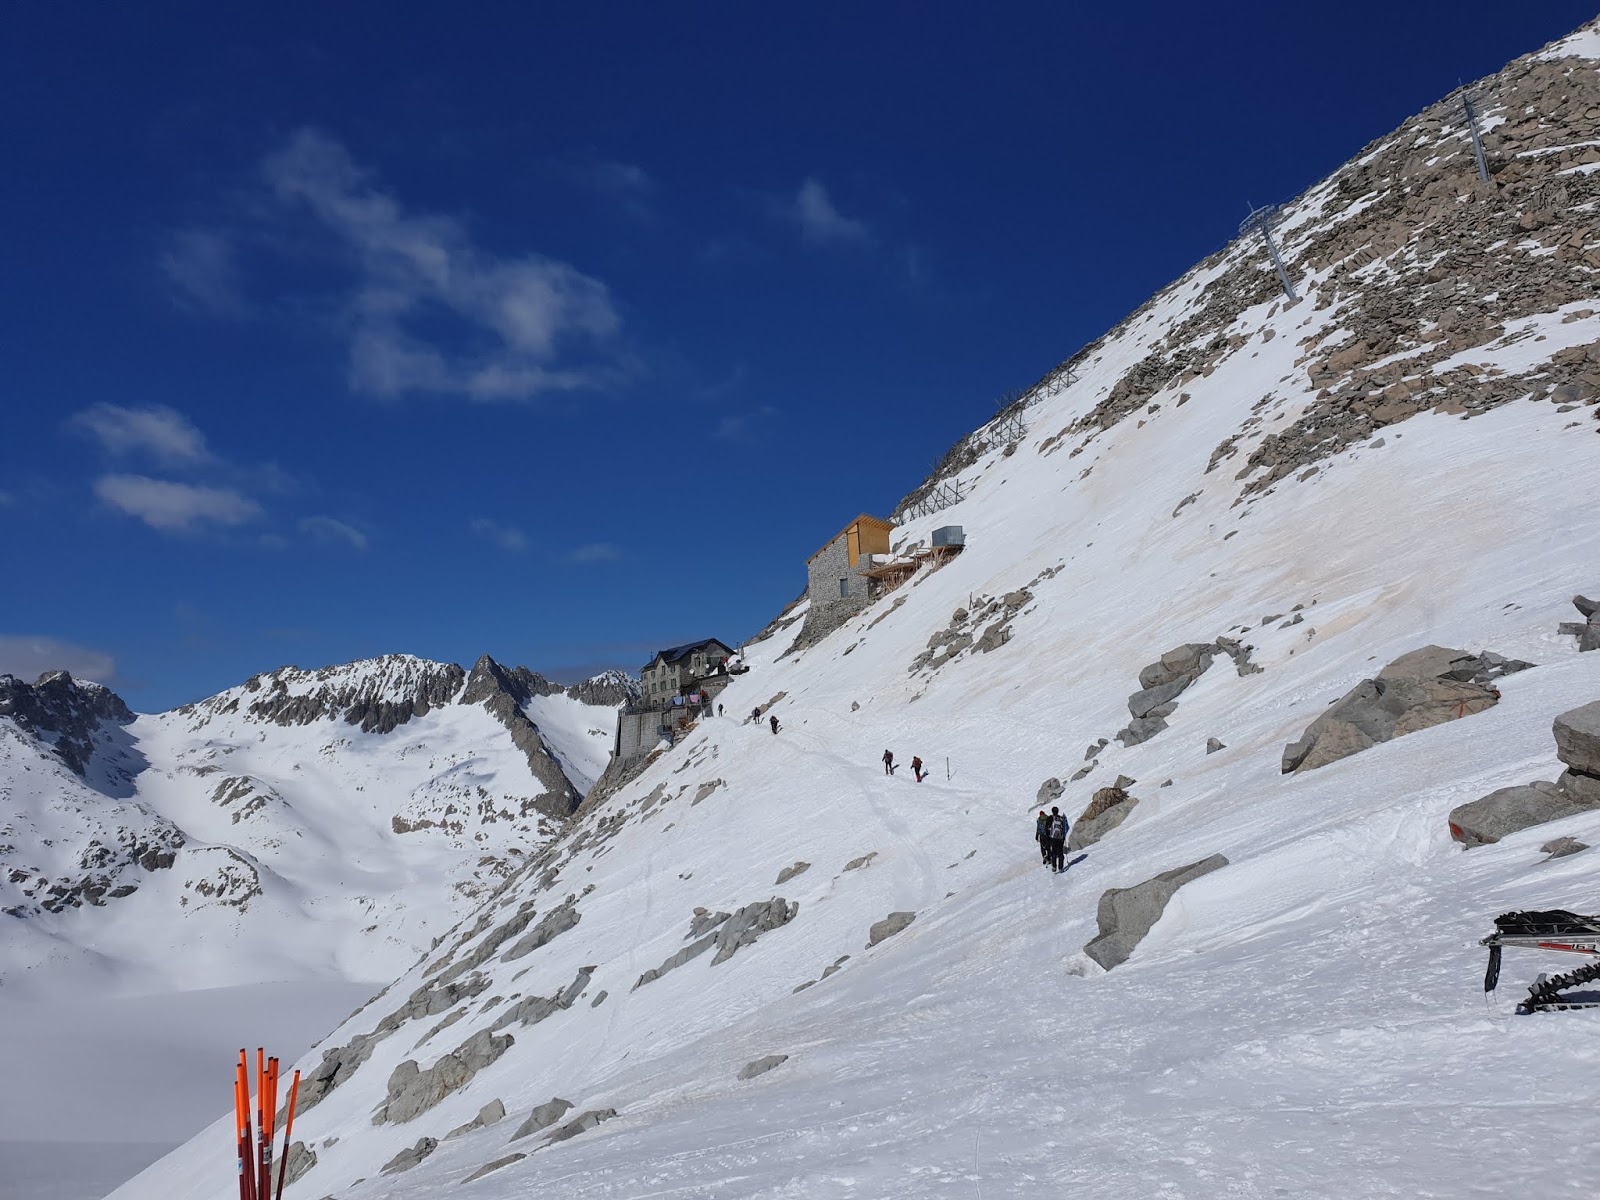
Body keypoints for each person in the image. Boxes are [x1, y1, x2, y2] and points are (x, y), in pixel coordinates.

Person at [1047, 807, 1068, 873]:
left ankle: (1054, 867)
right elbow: (1066, 828)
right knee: (1060, 853)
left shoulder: (1050, 818)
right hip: (1060, 839)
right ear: (1058, 811)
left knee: (1053, 853)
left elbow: (1047, 828)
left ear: (1052, 811)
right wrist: (1063, 837)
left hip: (1053, 838)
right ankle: (1061, 867)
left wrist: (1048, 838)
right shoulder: (1061, 818)